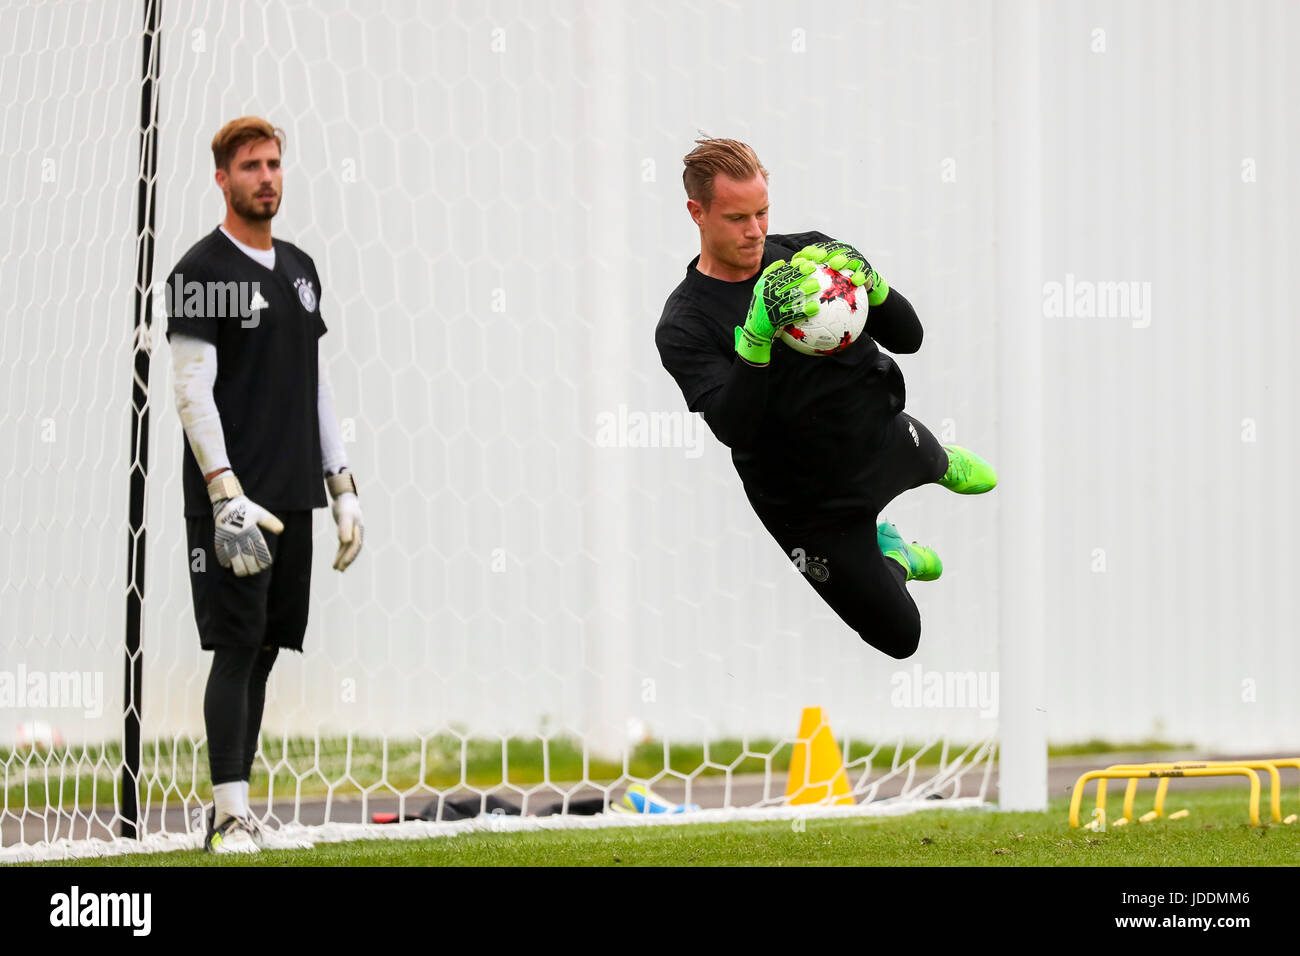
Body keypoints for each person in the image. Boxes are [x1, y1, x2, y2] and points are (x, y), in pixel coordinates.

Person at [655, 137, 996, 660]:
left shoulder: (810, 256)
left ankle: (937, 459)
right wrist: (757, 335)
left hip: (880, 438)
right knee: (901, 637)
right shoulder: (684, 323)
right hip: (807, 504)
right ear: (696, 213)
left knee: (965, 473)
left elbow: (910, 338)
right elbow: (734, 426)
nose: (755, 231)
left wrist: (873, 283)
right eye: (737, 217)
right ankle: (896, 554)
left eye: (763, 212)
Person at [165, 116, 364, 853]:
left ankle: (238, 809)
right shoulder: (201, 272)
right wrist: (223, 493)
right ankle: (226, 815)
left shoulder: (301, 269)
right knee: (235, 645)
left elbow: (316, 384)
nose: (266, 177)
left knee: (268, 648)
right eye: (250, 166)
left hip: (292, 495)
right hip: (235, 501)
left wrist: (341, 485)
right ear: (222, 178)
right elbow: (192, 391)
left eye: (275, 163)